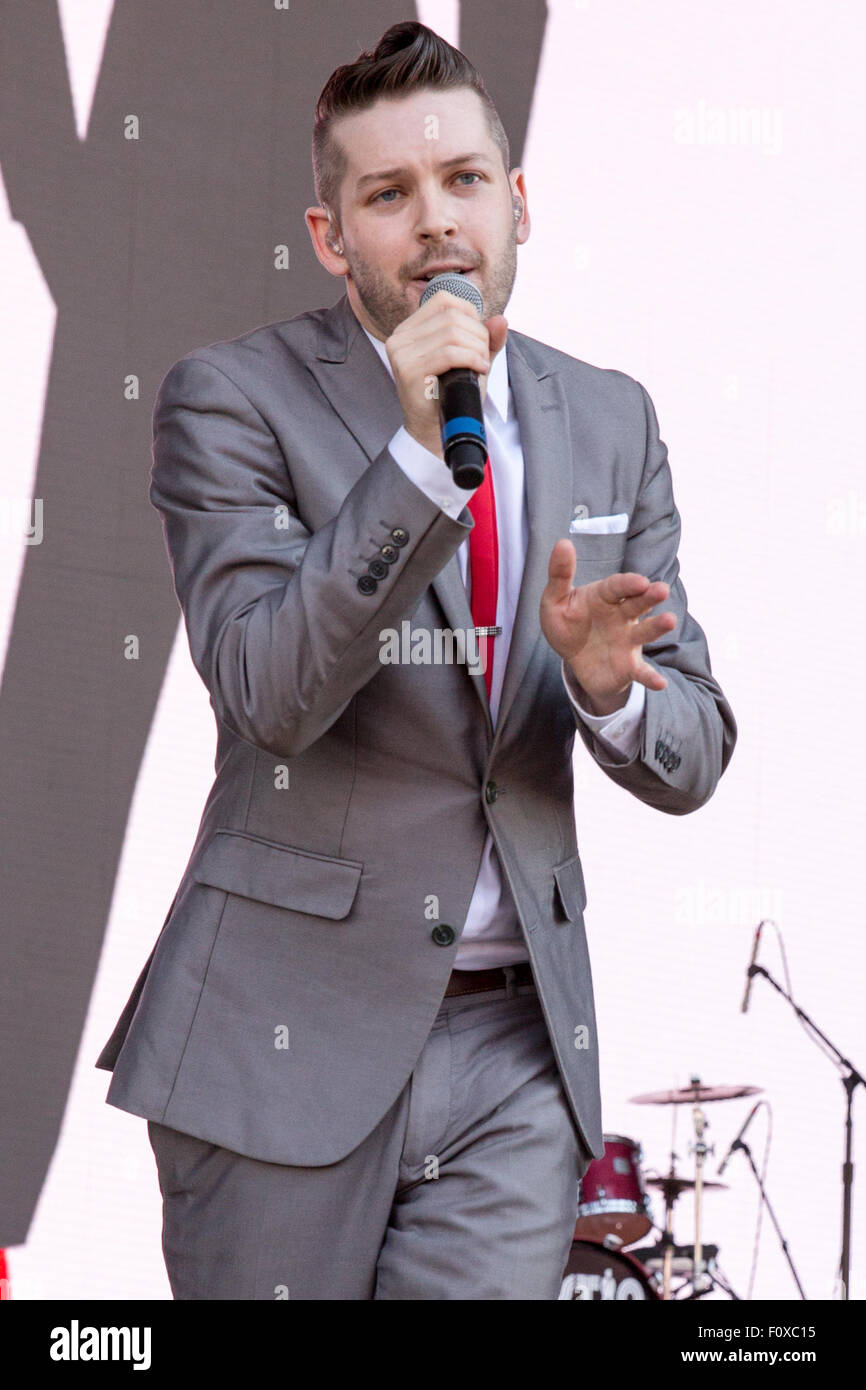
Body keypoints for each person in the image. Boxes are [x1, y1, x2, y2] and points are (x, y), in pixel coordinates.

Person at [96, 20, 736, 1300]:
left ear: (516, 202)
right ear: (332, 237)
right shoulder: (230, 399)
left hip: (515, 1048)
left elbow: (696, 749)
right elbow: (267, 693)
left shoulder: (609, 418)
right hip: (282, 1040)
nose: (435, 220)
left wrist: (609, 694)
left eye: (461, 182)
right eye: (387, 194)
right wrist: (404, 463)